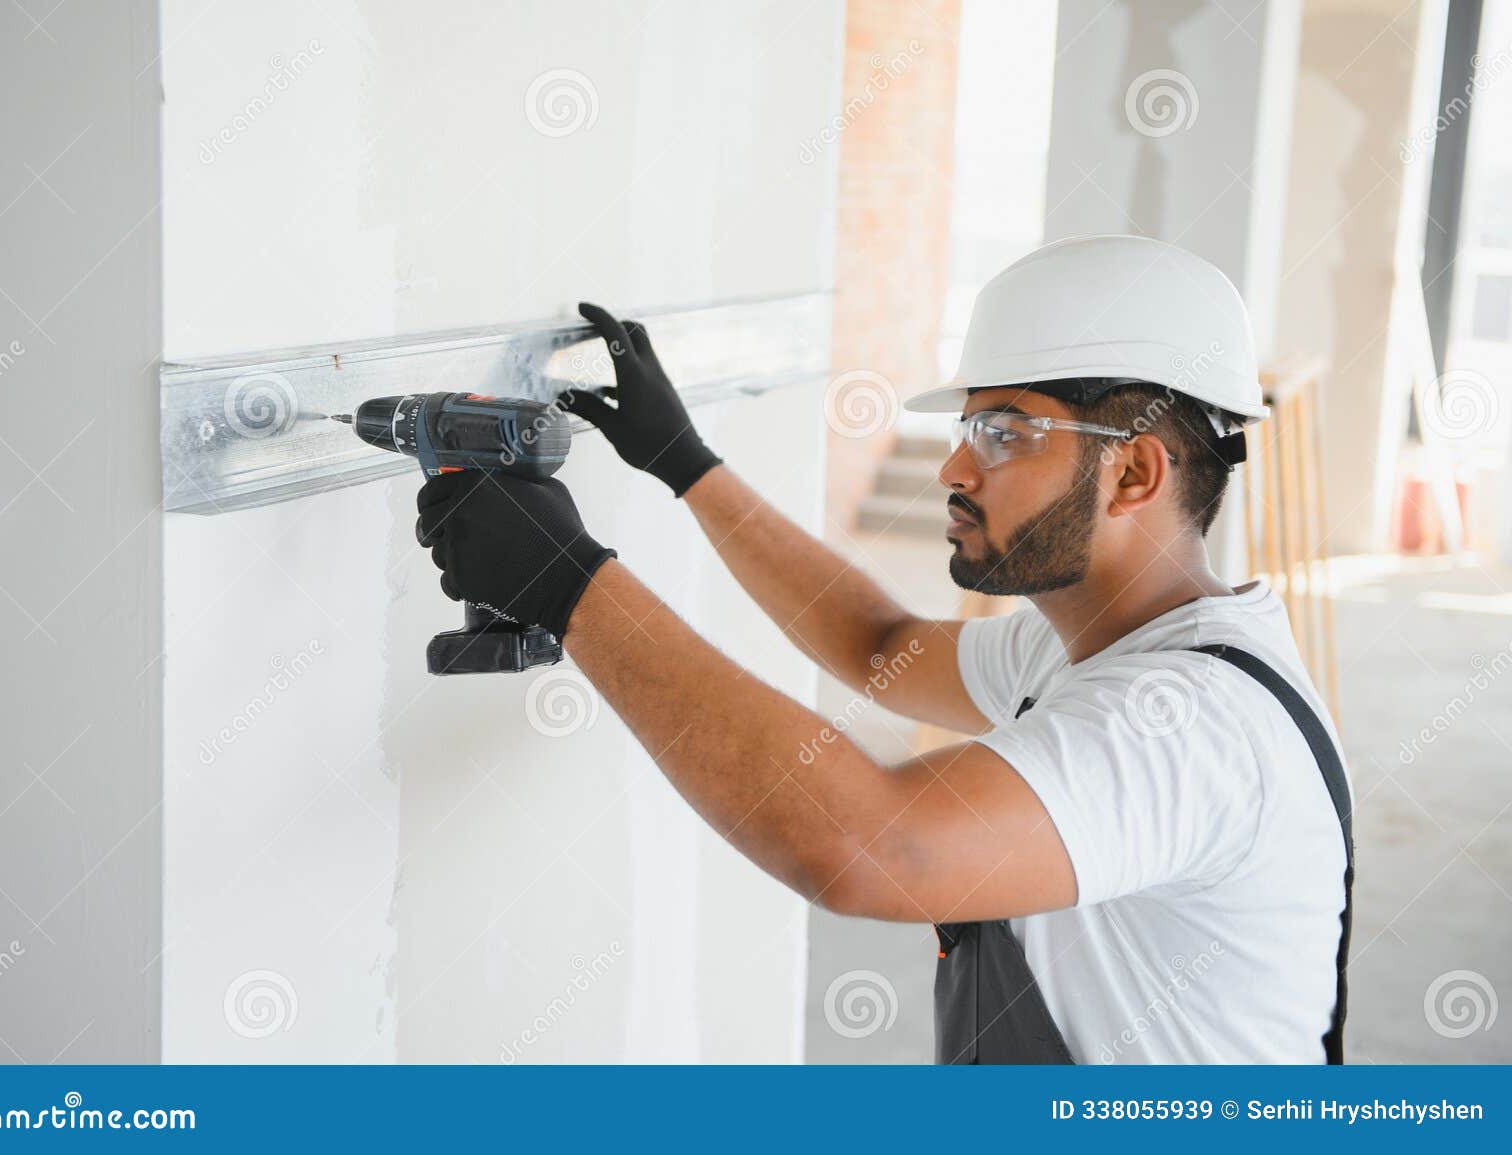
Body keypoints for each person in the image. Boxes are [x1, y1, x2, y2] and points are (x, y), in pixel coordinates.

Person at [415, 234, 1353, 1064]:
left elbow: (867, 845)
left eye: (1003, 431)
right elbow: (879, 645)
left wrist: (571, 587)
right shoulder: (1084, 647)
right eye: (967, 427)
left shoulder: (1189, 723)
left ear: (1134, 471)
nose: (954, 465)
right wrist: (684, 463)